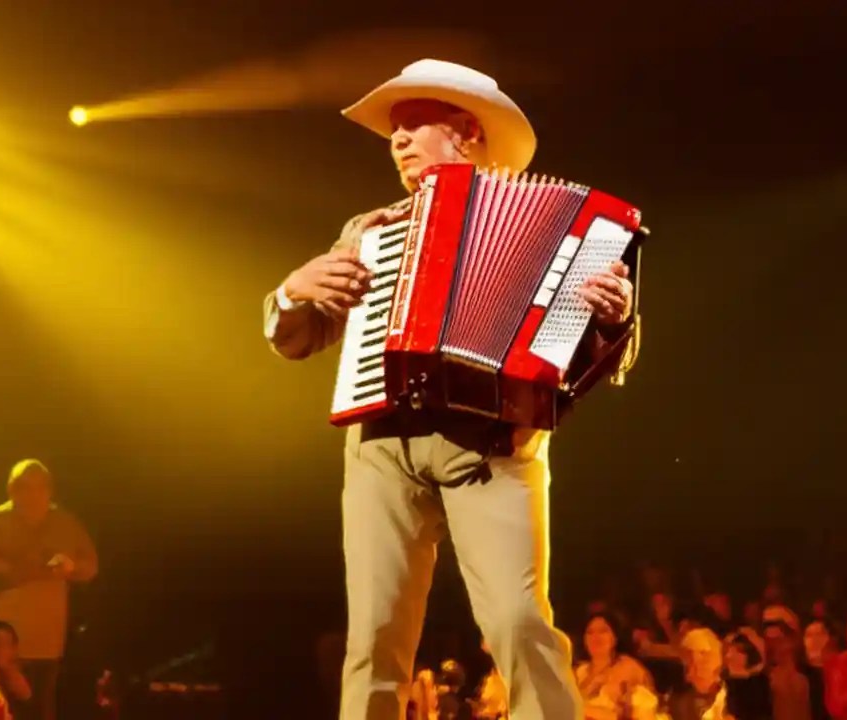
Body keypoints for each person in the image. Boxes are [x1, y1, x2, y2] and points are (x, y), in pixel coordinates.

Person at [262, 59, 638, 719]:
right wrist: (293, 293)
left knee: (519, 621)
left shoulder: (562, 225)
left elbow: (590, 358)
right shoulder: (370, 231)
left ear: (466, 132)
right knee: (374, 639)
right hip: (382, 444)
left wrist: (614, 318)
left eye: (413, 123)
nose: (397, 139)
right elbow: (300, 337)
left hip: (493, 443)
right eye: (393, 130)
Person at [0, 459, 98, 720]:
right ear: (11, 490)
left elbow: (91, 565)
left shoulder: (66, 523)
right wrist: (19, 568)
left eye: (40, 488)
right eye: (25, 488)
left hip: (48, 638)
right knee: (2, 709)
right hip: (7, 640)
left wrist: (70, 567)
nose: (33, 495)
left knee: (42, 708)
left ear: (50, 491)